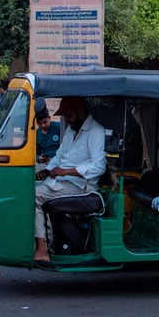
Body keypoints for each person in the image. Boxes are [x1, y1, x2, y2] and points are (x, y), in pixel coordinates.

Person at [32, 96, 107, 266]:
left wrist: (66, 171)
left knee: (34, 196)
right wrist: (48, 170)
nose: (66, 119)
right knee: (27, 188)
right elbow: (60, 156)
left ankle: (42, 250)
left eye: (68, 114)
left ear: (80, 111)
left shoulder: (95, 132)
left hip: (81, 186)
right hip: (62, 181)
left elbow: (98, 167)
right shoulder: (71, 131)